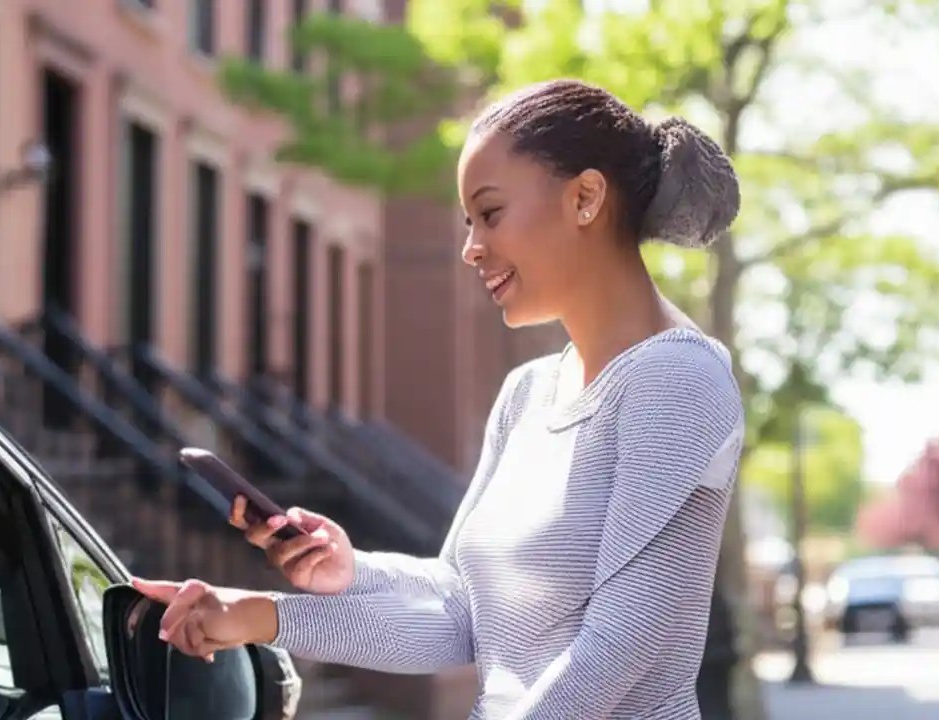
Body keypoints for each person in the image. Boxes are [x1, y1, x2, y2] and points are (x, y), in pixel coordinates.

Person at [134, 78, 745, 719]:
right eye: (466, 222)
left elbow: (623, 645)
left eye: (491, 213)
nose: (470, 247)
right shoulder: (527, 395)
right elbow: (459, 611)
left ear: (585, 198)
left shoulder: (678, 377)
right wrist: (262, 609)